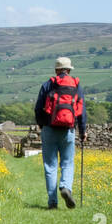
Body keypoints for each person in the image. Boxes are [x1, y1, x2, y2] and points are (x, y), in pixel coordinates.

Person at [34, 56, 86, 209]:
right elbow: (81, 111)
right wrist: (82, 130)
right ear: (69, 70)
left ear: (56, 70)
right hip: (68, 130)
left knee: (50, 165)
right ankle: (65, 187)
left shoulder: (48, 85)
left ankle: (52, 202)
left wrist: (42, 125)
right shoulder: (76, 86)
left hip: (49, 128)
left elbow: (38, 108)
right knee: (68, 163)